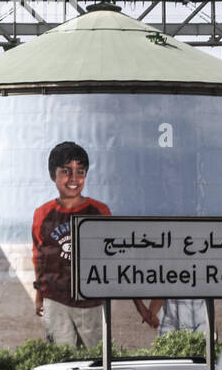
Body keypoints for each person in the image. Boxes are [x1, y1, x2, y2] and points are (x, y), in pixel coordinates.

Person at [31, 141, 148, 347]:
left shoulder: (99, 211)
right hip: (56, 301)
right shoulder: (43, 214)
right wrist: (40, 296)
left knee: (96, 360)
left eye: (80, 172)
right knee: (62, 358)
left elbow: (115, 257)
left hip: (91, 302)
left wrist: (139, 305)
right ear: (53, 175)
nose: (74, 179)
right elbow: (39, 259)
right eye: (66, 171)